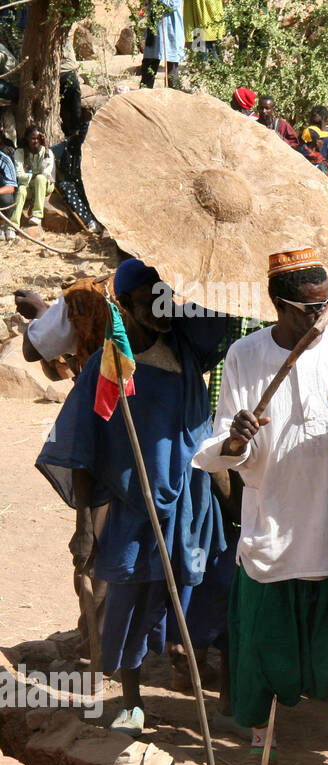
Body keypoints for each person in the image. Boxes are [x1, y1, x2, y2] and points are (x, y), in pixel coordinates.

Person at [194, 248, 328, 765]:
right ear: (277, 307)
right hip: (277, 523)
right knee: (265, 641)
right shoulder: (245, 355)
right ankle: (264, 746)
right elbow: (228, 445)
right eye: (309, 309)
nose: (322, 316)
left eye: (327, 304)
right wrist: (238, 439)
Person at [36, 260, 234, 735]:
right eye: (151, 299)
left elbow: (220, 320)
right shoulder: (109, 368)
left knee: (203, 592)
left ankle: (222, 695)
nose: (163, 307)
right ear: (124, 306)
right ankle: (131, 700)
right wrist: (84, 528)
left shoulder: (188, 350)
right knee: (127, 600)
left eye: (168, 296)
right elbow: (82, 448)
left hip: (187, 499)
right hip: (131, 504)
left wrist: (197, 270)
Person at [11, 124, 54, 232]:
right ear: (27, 139)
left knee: (40, 178)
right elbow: (19, 175)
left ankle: (37, 215)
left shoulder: (47, 152)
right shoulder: (19, 152)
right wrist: (33, 176)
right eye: (33, 138)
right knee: (21, 189)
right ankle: (12, 226)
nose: (36, 141)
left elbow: (46, 173)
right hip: (29, 186)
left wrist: (47, 148)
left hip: (45, 185)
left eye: (38, 138)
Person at [140, 0, 185, 89]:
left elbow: (173, 4)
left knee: (172, 70)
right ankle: (143, 97)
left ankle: (173, 97)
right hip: (154, 30)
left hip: (171, 30)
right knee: (148, 66)